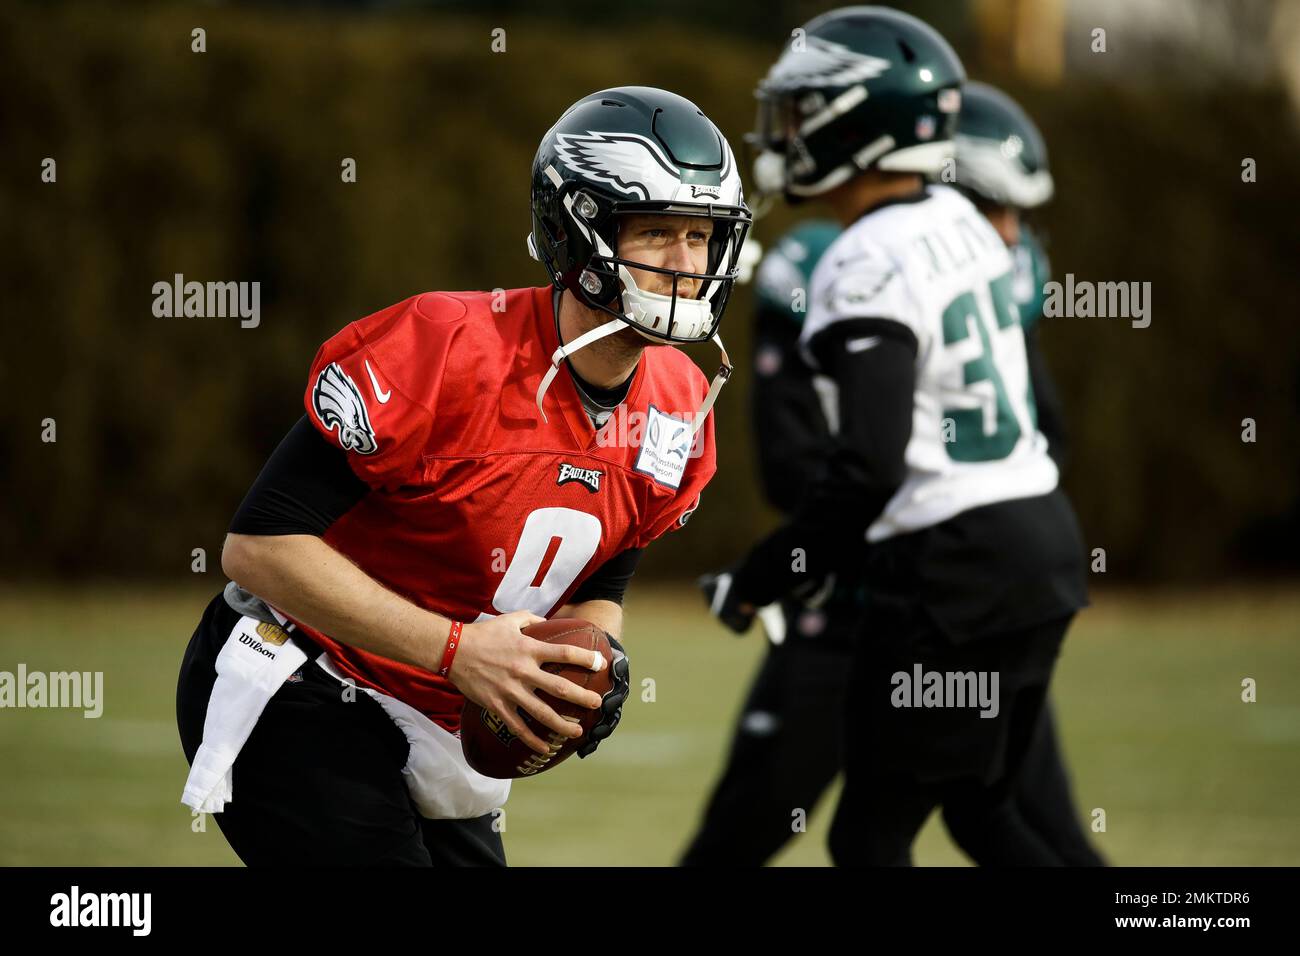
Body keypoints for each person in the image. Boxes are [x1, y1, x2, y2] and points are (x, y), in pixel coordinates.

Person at [176, 85, 752, 866]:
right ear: (576, 232)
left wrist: (589, 663)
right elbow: (260, 548)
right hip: (305, 678)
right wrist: (458, 651)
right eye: (656, 234)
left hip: (443, 714)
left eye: (701, 236)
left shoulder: (682, 401)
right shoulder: (445, 347)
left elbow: (601, 580)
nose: (687, 266)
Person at [702, 8, 1089, 866]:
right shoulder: (963, 220)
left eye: (805, 108)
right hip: (1041, 545)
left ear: (857, 119)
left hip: (949, 570)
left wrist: (764, 574)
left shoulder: (863, 257)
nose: (787, 129)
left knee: (868, 837)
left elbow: (870, 466)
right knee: (984, 812)